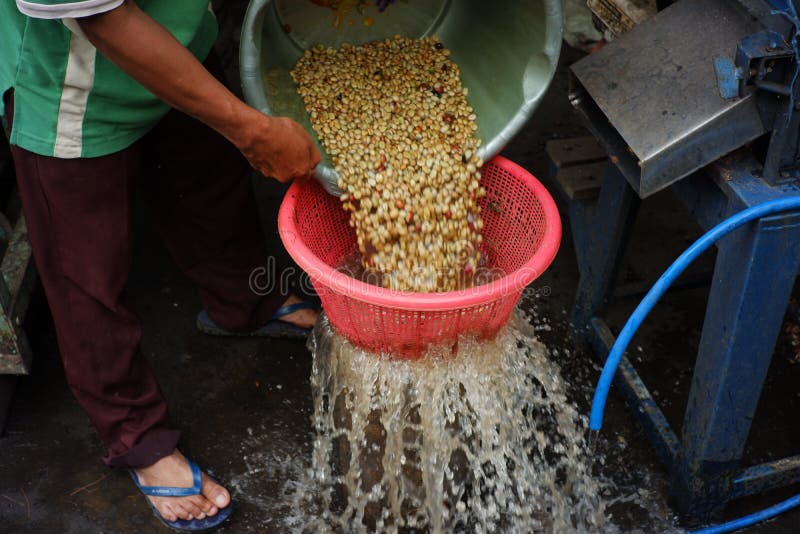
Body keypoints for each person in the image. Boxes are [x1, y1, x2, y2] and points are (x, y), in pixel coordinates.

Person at [1, 0, 321, 529]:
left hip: (177, 36)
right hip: (75, 82)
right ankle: (137, 435)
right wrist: (251, 130)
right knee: (86, 272)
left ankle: (244, 301)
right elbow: (101, 16)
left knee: (207, 181)